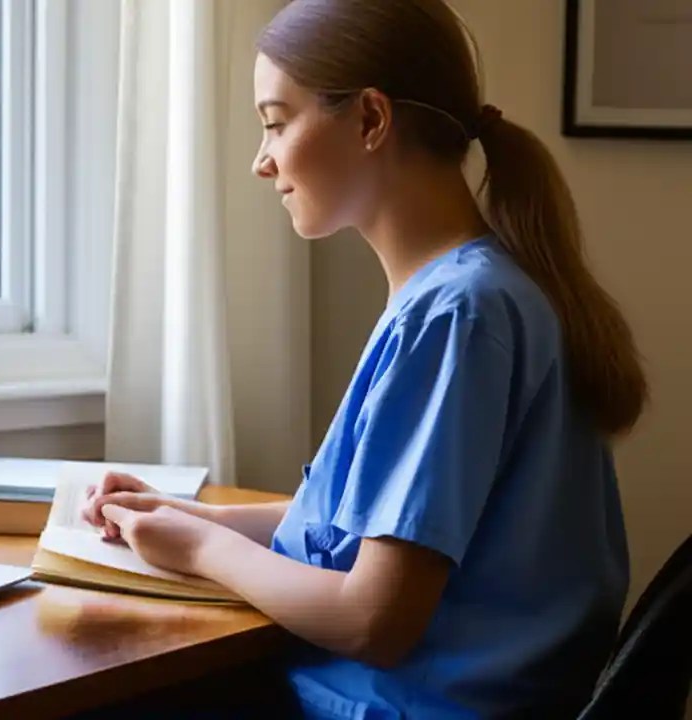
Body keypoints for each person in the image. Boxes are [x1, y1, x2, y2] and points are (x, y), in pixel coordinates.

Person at [83, 0, 647, 717]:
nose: (263, 161)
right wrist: (186, 518)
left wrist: (199, 551)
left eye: (276, 122)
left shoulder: (456, 317)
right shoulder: (477, 293)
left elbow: (372, 620)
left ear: (371, 120)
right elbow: (364, 534)